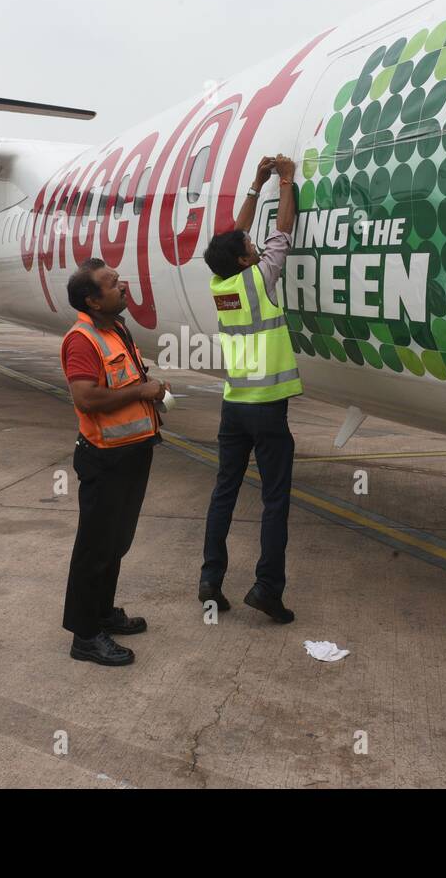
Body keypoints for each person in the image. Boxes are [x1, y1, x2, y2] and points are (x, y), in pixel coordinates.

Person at [199, 154, 303, 623]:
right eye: (250, 244)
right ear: (247, 258)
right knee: (274, 499)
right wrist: (286, 181)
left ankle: (210, 580)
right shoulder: (262, 276)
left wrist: (253, 185)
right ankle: (266, 588)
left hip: (234, 405)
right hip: (267, 409)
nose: (256, 243)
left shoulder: (221, 284)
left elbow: (227, 242)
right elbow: (285, 228)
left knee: (225, 491)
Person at [60, 258, 167, 666]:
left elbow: (122, 380)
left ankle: (102, 613)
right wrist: (143, 392)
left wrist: (148, 387)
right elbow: (86, 397)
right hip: (104, 458)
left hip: (131, 452)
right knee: (95, 548)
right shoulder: (81, 340)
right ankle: (85, 635)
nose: (122, 286)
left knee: (116, 543)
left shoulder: (116, 327)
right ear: (92, 299)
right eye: (111, 284)